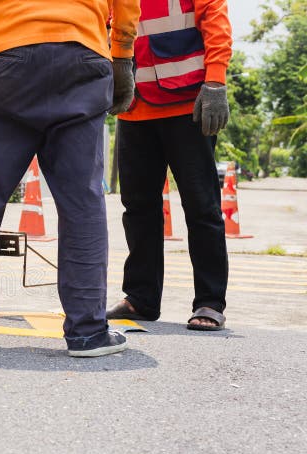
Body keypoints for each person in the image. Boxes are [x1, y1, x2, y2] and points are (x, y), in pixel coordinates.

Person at [0, 0, 141, 357]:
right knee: (83, 205)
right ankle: (88, 331)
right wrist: (123, 56)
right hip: (81, 55)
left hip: (2, 57)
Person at [107, 0, 232, 331]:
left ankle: (209, 302)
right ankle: (141, 297)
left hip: (188, 103)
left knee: (202, 206)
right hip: (134, 106)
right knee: (137, 208)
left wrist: (216, 80)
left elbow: (215, 19)